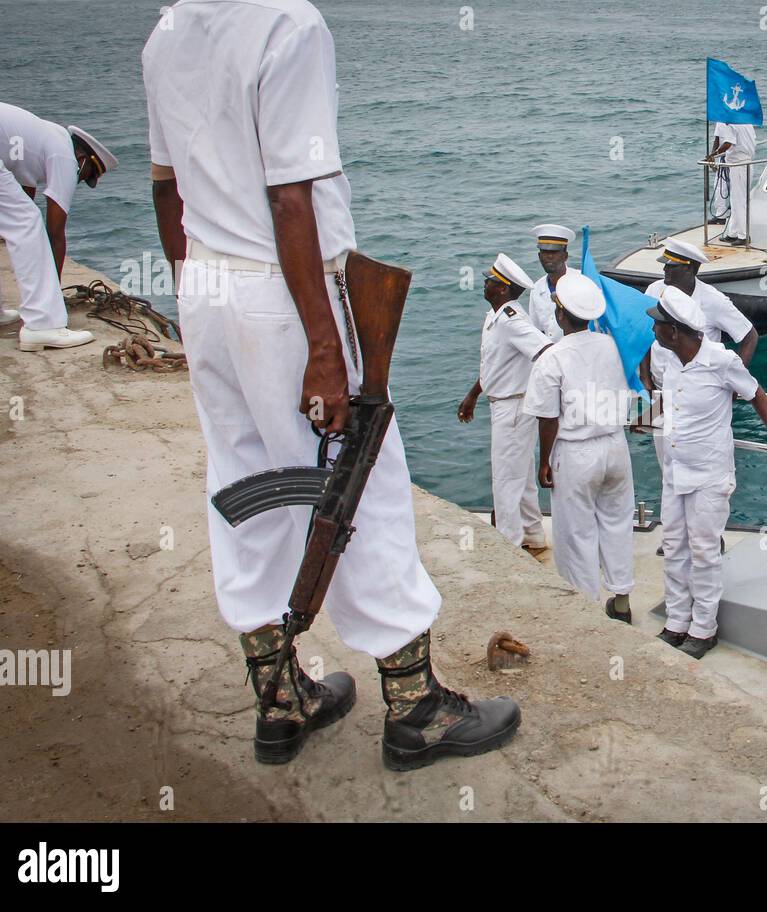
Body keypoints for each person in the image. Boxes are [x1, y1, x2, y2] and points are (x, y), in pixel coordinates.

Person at [143, 0, 519, 771]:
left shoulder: (169, 29)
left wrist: (194, 299)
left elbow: (166, 190)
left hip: (205, 284)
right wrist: (322, 345)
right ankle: (416, 710)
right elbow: (293, 197)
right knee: (361, 486)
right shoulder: (289, 23)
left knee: (241, 488)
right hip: (281, 297)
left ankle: (281, 700)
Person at [649, 286, 767, 659]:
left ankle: (703, 628)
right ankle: (677, 620)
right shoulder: (669, 361)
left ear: (674, 331)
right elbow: (669, 401)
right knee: (674, 547)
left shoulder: (721, 360)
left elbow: (757, 395)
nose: (653, 330)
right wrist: (643, 419)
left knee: (703, 551)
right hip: (675, 470)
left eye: (657, 324)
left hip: (709, 475)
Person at [524, 271, 636, 621]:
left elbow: (547, 417)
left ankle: (586, 610)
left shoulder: (553, 357)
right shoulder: (611, 344)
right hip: (616, 446)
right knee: (617, 523)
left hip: (576, 451)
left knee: (576, 534)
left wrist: (544, 462)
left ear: (559, 314)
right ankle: (621, 601)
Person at [0, 98, 117, 350]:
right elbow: (55, 233)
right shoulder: (64, 155)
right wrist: (53, 295)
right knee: (26, 221)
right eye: (86, 176)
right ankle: (43, 323)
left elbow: (22, 194)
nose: (78, 181)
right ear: (83, 159)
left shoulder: (41, 139)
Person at [640, 237, 757, 554]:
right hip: (663, 392)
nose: (665, 271)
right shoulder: (655, 292)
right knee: (668, 465)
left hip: (699, 397)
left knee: (708, 470)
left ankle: (711, 533)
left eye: (672, 266)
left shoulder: (714, 300)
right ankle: (673, 536)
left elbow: (748, 336)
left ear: (690, 269)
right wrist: (643, 373)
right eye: (664, 265)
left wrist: (735, 381)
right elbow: (643, 333)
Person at [458, 252, 551, 552]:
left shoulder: (513, 321)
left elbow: (546, 352)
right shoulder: (495, 317)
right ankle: (533, 534)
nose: (484, 283)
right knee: (520, 476)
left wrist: (544, 392)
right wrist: (474, 394)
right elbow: (493, 365)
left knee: (506, 479)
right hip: (504, 402)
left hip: (512, 406)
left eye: (490, 281)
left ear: (502, 289)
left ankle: (509, 547)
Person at [526, 223, 578, 341]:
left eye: (554, 252)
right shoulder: (536, 289)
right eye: (544, 252)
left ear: (565, 256)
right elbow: (536, 329)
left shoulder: (580, 281)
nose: (549, 257)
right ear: (539, 256)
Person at [708, 121, 756, 245]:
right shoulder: (746, 121)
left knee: (739, 201)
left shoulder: (730, 124)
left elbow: (728, 143)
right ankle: (733, 233)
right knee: (736, 201)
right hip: (744, 162)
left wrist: (713, 154)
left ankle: (744, 235)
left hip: (739, 164)